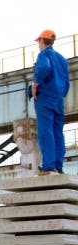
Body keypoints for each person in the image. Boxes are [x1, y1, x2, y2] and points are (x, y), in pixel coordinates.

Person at [28, 29, 70, 175]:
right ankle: (58, 166)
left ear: (41, 41)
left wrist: (35, 83)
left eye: (38, 42)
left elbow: (44, 67)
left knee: (46, 131)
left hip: (45, 98)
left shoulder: (44, 54)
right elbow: (66, 82)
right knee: (58, 132)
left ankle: (48, 166)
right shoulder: (62, 59)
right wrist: (59, 94)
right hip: (58, 100)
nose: (38, 45)